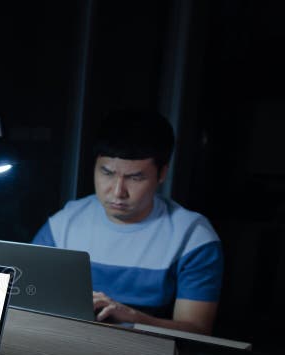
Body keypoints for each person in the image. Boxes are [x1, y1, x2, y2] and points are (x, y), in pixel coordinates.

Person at [32, 109, 222, 334]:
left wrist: (133, 318)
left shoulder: (193, 237)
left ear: (162, 174)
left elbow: (198, 332)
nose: (117, 192)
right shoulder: (64, 224)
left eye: (135, 177)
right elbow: (29, 298)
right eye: (107, 173)